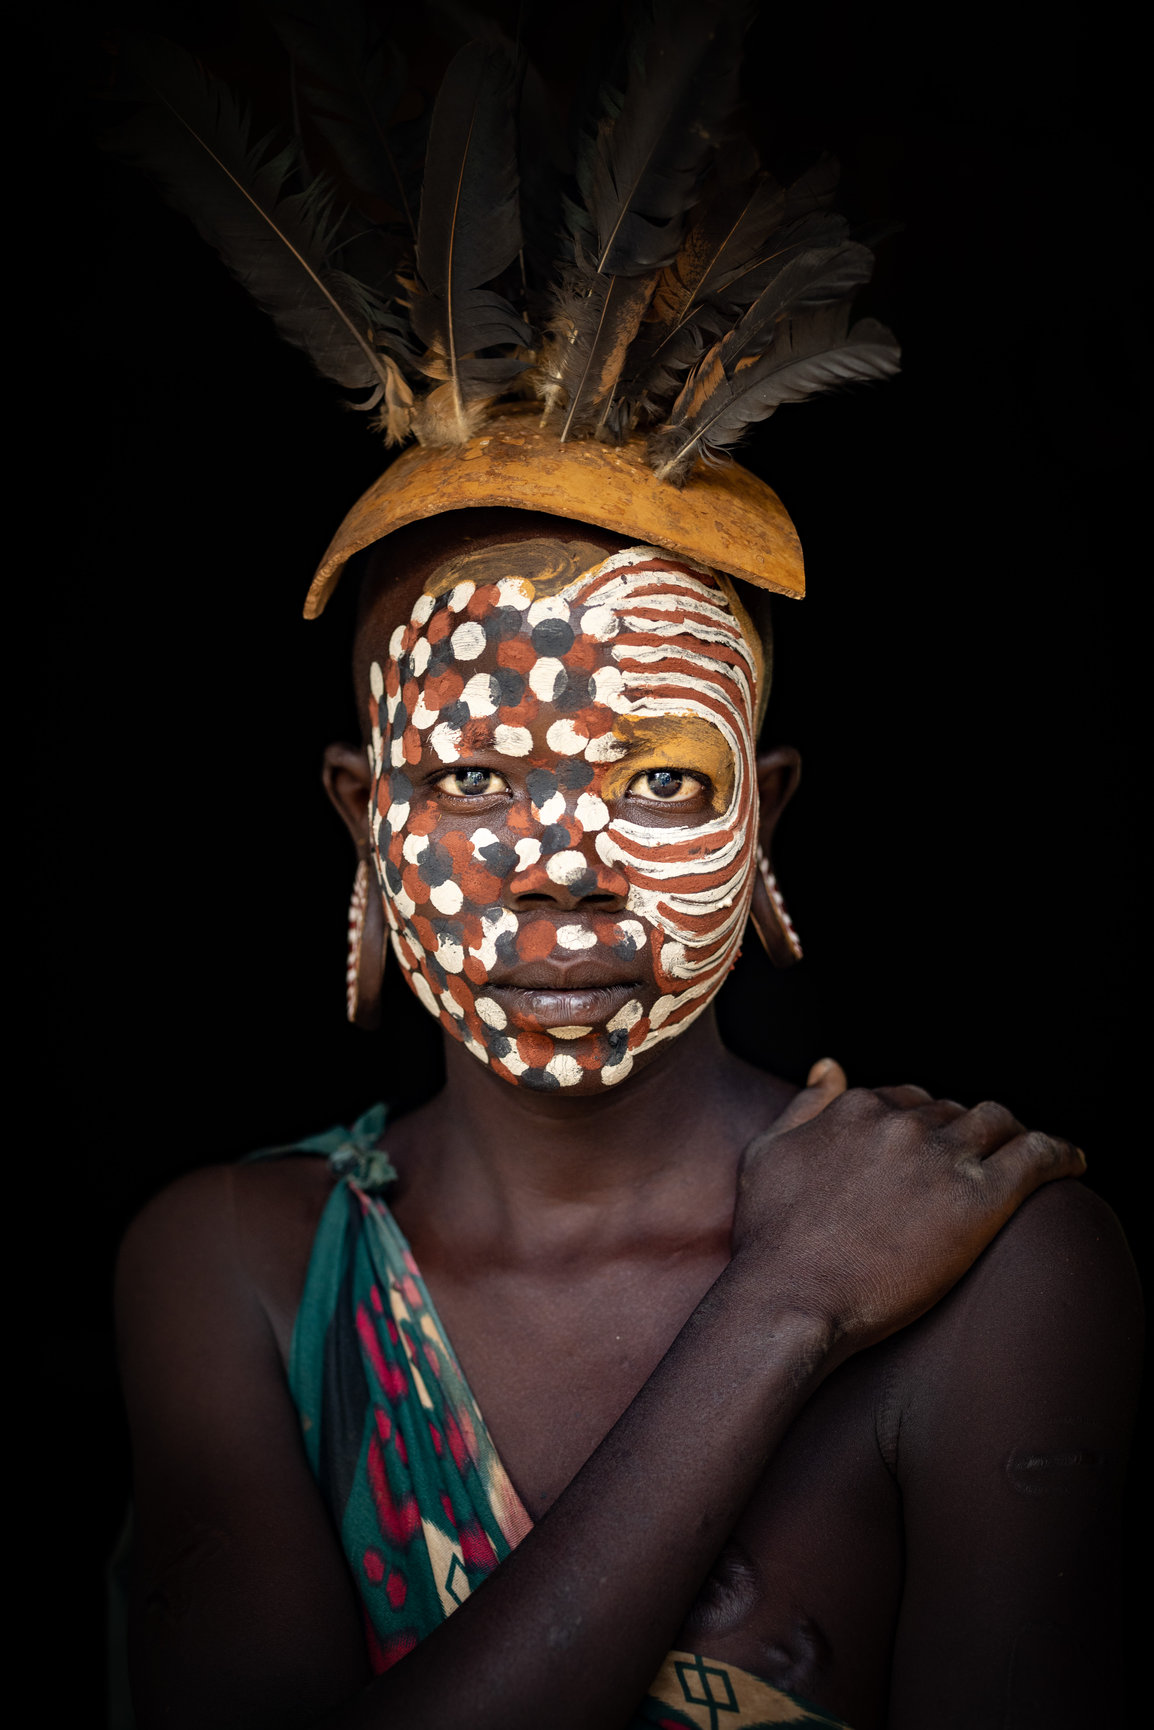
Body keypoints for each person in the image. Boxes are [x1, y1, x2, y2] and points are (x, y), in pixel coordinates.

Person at [110, 9, 1141, 1728]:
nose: (557, 868)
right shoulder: (231, 1268)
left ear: (766, 808)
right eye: (466, 776)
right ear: (361, 813)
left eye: (654, 776)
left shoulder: (990, 1263)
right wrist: (780, 1310)